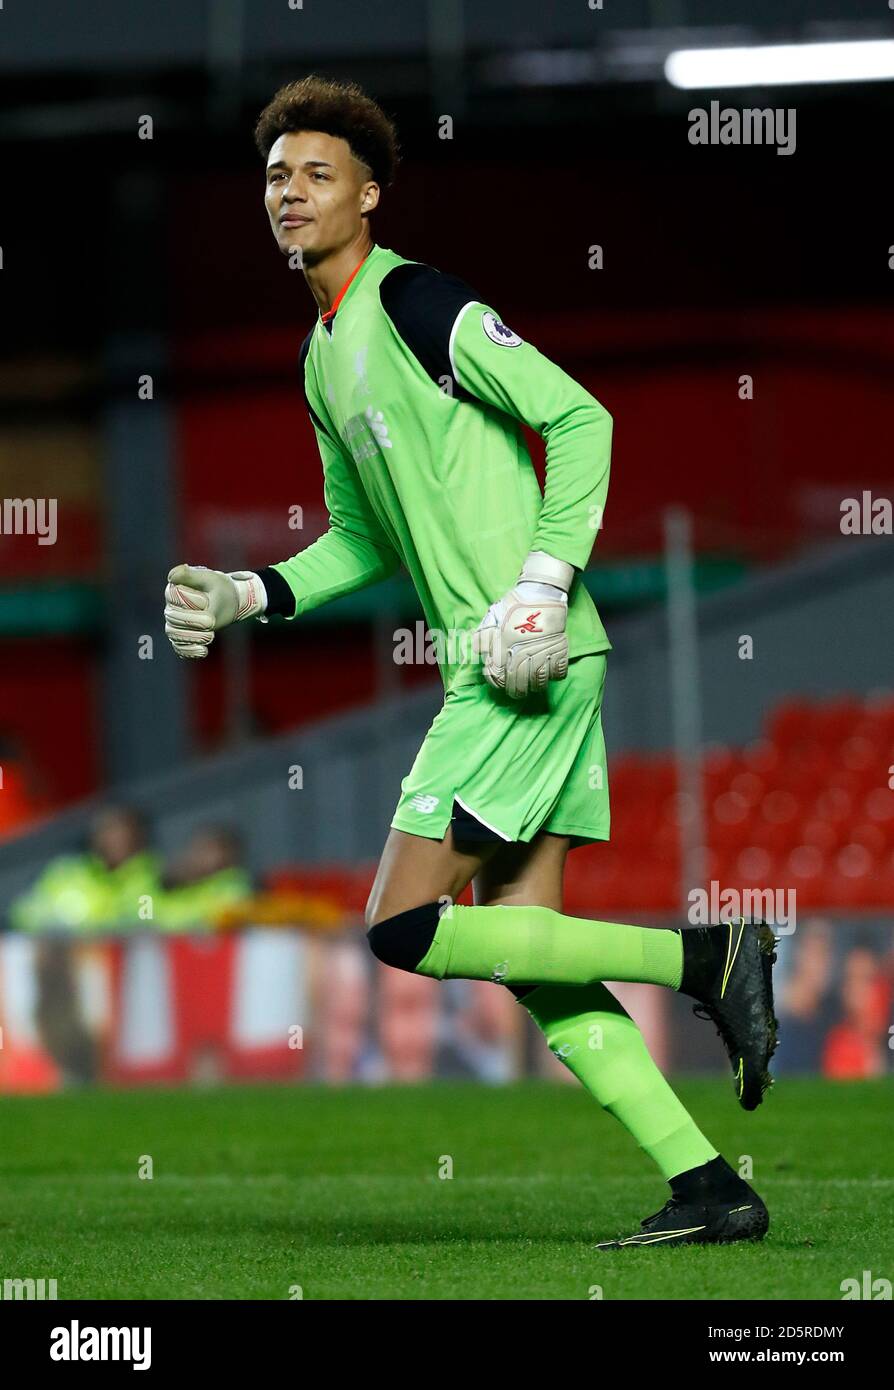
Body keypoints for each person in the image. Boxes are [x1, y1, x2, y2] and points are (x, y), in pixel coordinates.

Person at [163, 74, 779, 1248]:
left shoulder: (416, 301)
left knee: (400, 923)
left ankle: (708, 954)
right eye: (277, 176)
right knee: (527, 950)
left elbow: (581, 416)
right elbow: (363, 536)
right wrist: (252, 592)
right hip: (501, 669)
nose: (291, 193)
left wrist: (542, 583)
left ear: (369, 195)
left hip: (526, 660)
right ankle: (710, 1185)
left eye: (319, 175)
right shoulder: (321, 357)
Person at [9, 805, 160, 932]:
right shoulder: (67, 872)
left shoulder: (152, 880)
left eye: (125, 833)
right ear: (96, 837)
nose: (117, 840)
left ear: (139, 837)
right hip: (67, 953)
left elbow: (149, 925)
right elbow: (26, 914)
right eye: (110, 831)